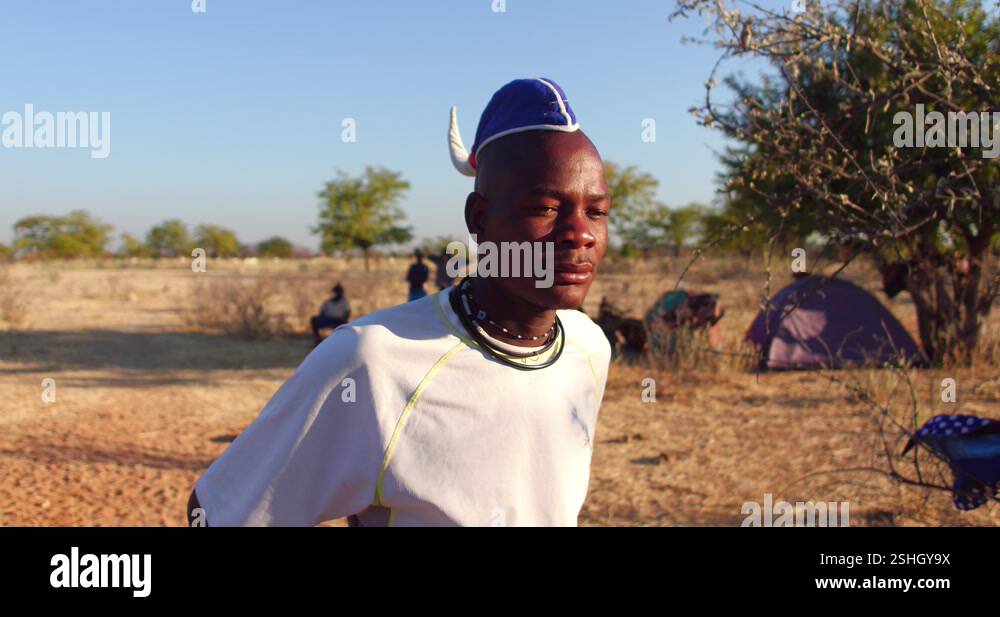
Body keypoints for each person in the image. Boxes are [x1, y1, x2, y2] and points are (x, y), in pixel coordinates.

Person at [188, 77, 611, 527]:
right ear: (479, 219)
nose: (580, 233)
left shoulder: (589, 348)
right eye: (545, 208)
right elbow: (220, 514)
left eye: (597, 212)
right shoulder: (374, 361)